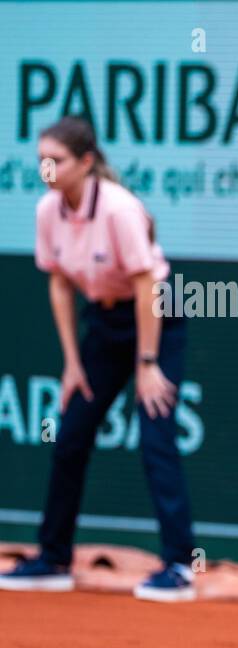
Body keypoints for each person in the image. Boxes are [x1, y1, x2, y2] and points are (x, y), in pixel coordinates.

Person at [0, 117, 198, 601]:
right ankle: (53, 558)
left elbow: (148, 284)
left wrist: (147, 363)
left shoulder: (119, 209)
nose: (47, 168)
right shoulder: (48, 210)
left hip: (154, 318)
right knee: (70, 436)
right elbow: (60, 283)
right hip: (103, 326)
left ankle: (179, 565)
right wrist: (71, 361)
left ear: (86, 162)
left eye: (58, 159)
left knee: (155, 436)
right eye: (41, 158)